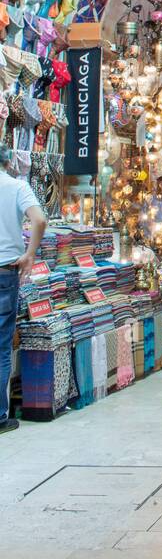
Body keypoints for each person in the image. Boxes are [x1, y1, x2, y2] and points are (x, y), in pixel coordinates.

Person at [0, 147, 46, 434]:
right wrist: (30, 253)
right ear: (8, 162)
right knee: (2, 346)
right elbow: (39, 220)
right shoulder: (16, 186)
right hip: (5, 271)